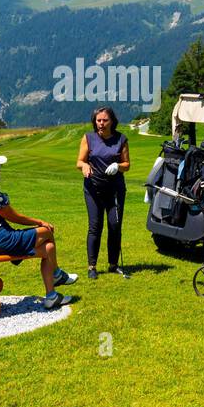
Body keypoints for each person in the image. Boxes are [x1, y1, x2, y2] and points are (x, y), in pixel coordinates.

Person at [0, 151, 76, 310]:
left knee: (48, 248)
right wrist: (40, 222)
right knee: (46, 231)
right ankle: (57, 274)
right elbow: (15, 217)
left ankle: (51, 296)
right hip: (3, 240)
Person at [76, 107, 131, 279]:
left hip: (115, 191)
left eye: (105, 120)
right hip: (93, 190)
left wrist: (118, 166)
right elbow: (79, 161)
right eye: (98, 120)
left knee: (114, 226)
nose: (101, 123)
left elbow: (127, 164)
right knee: (95, 226)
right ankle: (92, 266)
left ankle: (113, 264)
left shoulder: (121, 139)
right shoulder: (88, 138)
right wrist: (85, 165)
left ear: (112, 121)